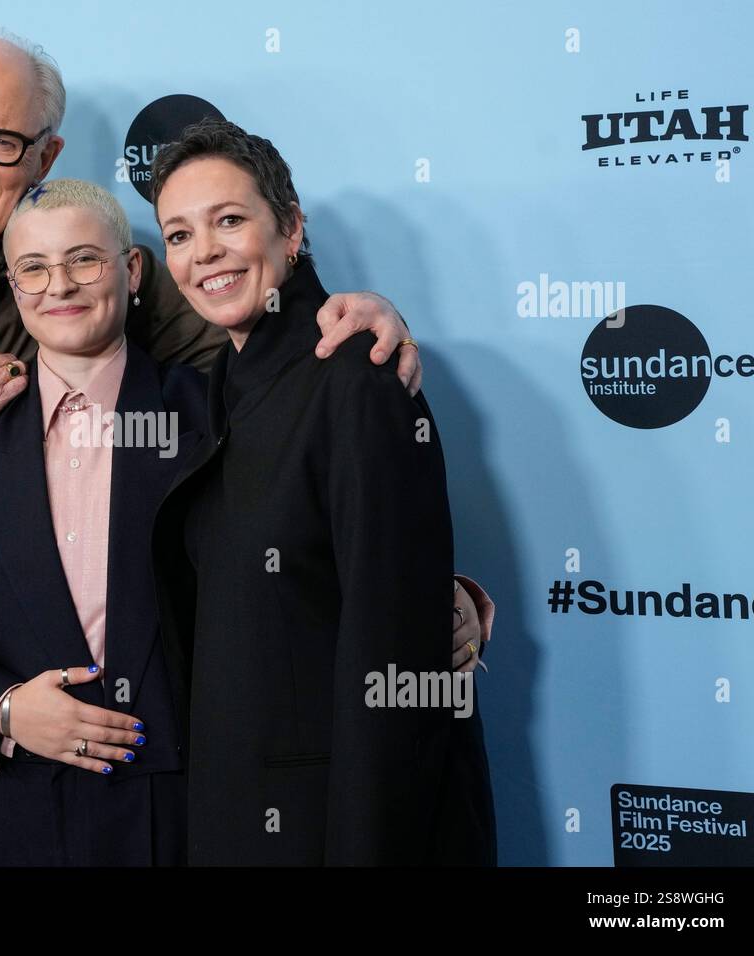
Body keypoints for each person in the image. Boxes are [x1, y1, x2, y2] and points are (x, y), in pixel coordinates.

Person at [0, 27, 426, 866]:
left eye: (5, 141)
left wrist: (349, 323)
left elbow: (265, 387)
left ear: (46, 157)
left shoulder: (124, 280)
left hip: (99, 737)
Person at [0, 179, 496, 865]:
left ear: (132, 270)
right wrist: (4, 709)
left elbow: (309, 556)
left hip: (183, 809)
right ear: (13, 286)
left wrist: (445, 600)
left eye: (84, 259)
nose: (61, 285)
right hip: (15, 809)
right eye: (34, 268)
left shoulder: (213, 413)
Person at [149, 119, 497, 865]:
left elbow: (396, 662)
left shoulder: (358, 377)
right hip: (243, 814)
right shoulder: (223, 385)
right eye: (177, 234)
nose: (203, 251)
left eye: (229, 220)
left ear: (292, 229)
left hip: (331, 827)